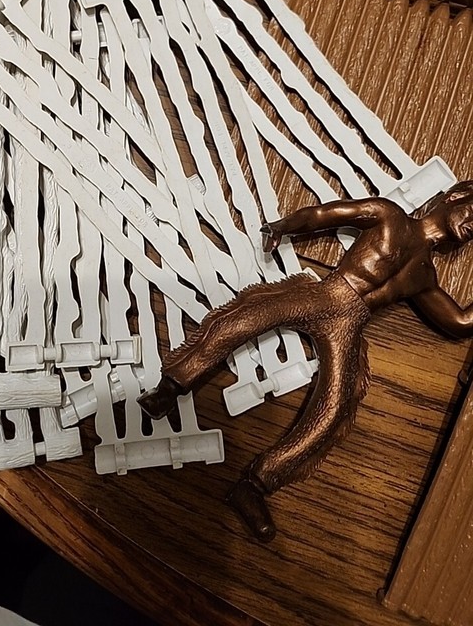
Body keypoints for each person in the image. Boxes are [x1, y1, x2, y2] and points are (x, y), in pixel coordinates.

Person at [138, 182, 473, 542]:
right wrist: (283, 226)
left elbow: (459, 322)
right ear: (454, 197)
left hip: (351, 324)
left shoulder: (425, 275)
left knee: (335, 408)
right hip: (327, 294)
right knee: (246, 318)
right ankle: (169, 388)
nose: (471, 228)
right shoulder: (389, 216)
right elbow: (326, 214)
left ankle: (256, 485)